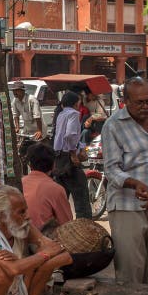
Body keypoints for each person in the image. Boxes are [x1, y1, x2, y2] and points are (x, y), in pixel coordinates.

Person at [102, 77, 148, 286]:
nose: (146, 106)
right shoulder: (113, 126)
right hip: (128, 207)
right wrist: (133, 183)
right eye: (140, 102)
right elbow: (111, 169)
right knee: (131, 273)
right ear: (126, 102)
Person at [52, 90, 92, 219]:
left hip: (59, 158)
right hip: (68, 158)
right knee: (81, 197)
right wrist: (73, 153)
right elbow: (70, 135)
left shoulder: (61, 114)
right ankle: (84, 226)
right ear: (75, 103)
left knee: (62, 195)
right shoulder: (74, 114)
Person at [21, 142, 73, 231]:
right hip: (43, 240)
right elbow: (67, 224)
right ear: (53, 165)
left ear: (30, 164)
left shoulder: (21, 183)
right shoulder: (55, 189)